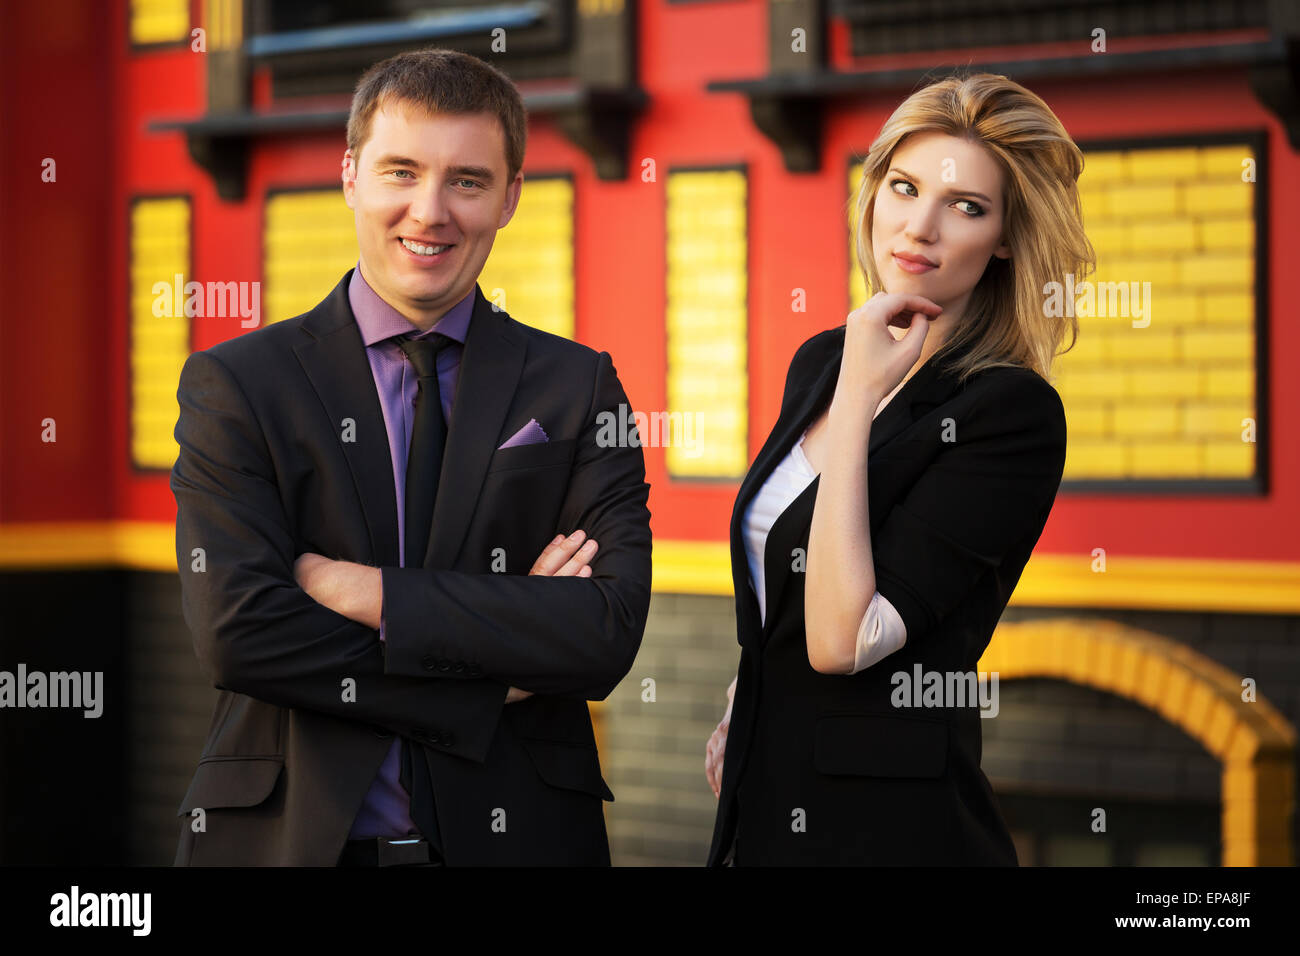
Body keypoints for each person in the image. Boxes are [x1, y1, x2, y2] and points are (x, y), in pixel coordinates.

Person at [170, 48, 651, 866]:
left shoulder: (577, 386)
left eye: (467, 180)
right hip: (292, 844)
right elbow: (239, 631)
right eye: (402, 171)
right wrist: (489, 671)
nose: (429, 212)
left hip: (521, 840)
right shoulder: (238, 385)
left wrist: (367, 592)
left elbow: (602, 632)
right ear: (351, 175)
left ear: (509, 198)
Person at [704, 72, 1092, 865]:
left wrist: (857, 401)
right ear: (873, 192)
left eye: (966, 206)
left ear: (1009, 237)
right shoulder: (825, 358)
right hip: (765, 798)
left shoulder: (1008, 413)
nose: (918, 227)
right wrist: (748, 703)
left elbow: (843, 641)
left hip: (892, 829)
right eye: (905, 187)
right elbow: (787, 574)